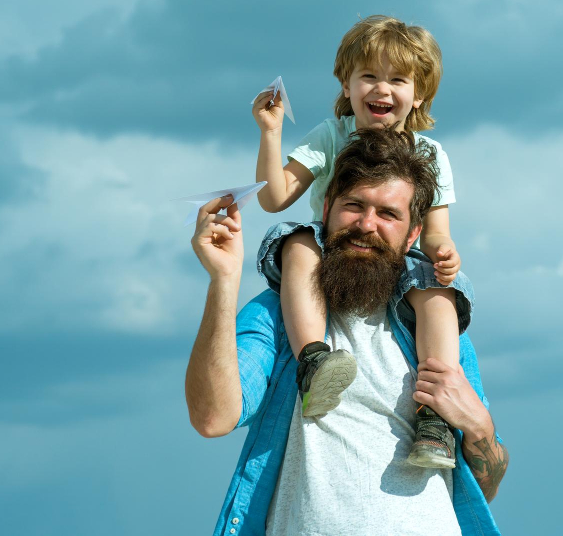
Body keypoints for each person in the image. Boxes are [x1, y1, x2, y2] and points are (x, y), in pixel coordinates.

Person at [186, 128, 509, 535]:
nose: (367, 224)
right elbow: (213, 417)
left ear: (413, 234)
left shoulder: (436, 330)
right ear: (326, 210)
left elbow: (484, 486)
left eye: (388, 214)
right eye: (354, 205)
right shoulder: (277, 317)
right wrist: (223, 280)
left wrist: (479, 426)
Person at [252, 15, 463, 467]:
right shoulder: (331, 136)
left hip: (394, 258)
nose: (381, 89)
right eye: (368, 76)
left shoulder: (431, 154)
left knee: (440, 288)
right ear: (346, 86)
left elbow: (436, 230)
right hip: (333, 252)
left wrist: (443, 252)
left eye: (397, 80)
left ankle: (435, 416)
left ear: (419, 94)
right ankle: (314, 361)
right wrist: (271, 133)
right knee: (297, 241)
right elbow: (274, 198)